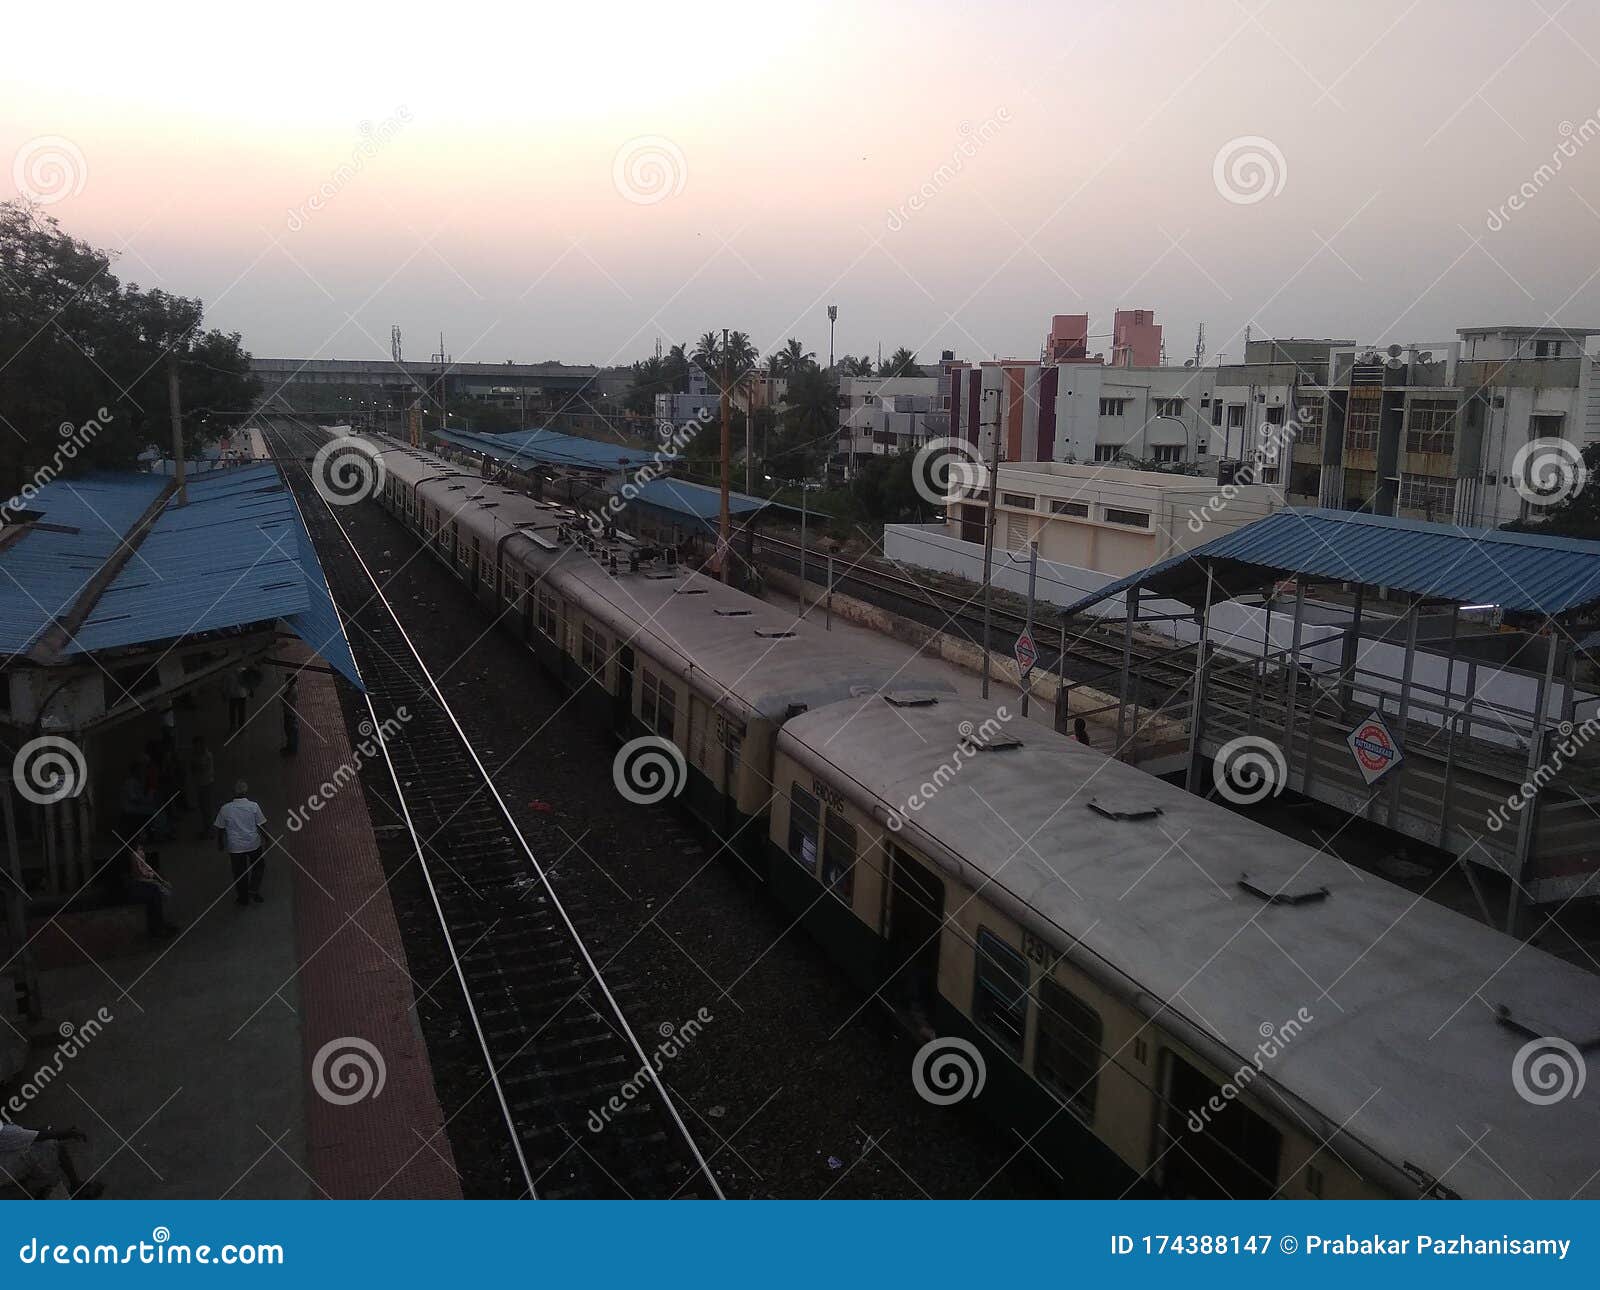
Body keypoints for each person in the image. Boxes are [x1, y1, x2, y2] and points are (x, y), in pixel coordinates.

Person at [0, 1122, 100, 1199]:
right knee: (52, 1143)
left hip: (8, 1168)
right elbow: (39, 1136)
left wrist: (44, 1129)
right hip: (8, 1173)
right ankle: (76, 1186)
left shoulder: (5, 1129)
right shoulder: (4, 1132)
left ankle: (38, 1188)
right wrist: (69, 1133)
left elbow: (21, 1131)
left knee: (46, 1134)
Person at [215, 780, 270, 906]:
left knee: (239, 872)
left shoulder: (225, 809)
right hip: (253, 844)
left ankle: (243, 897)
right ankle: (254, 890)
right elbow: (261, 825)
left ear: (233, 793)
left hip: (235, 847)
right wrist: (268, 839)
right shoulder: (253, 806)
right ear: (246, 792)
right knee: (259, 866)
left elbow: (220, 828)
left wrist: (220, 842)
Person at [127, 833, 178, 939]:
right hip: (135, 885)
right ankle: (157, 928)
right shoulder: (134, 854)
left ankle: (159, 924)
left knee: (158, 890)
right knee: (155, 893)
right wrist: (153, 878)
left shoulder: (138, 852)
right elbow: (138, 874)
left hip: (139, 882)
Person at [190, 735, 215, 839]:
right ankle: (207, 829)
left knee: (207, 808)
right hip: (200, 784)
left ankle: (209, 831)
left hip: (206, 784)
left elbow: (202, 768)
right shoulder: (196, 756)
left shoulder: (207, 756)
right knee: (203, 808)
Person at [280, 676, 299, 756]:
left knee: (290, 731)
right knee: (289, 731)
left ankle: (291, 750)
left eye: (287, 679)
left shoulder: (292, 690)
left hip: (290, 713)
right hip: (289, 712)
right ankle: (289, 747)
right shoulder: (291, 688)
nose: (285, 680)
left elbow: (285, 701)